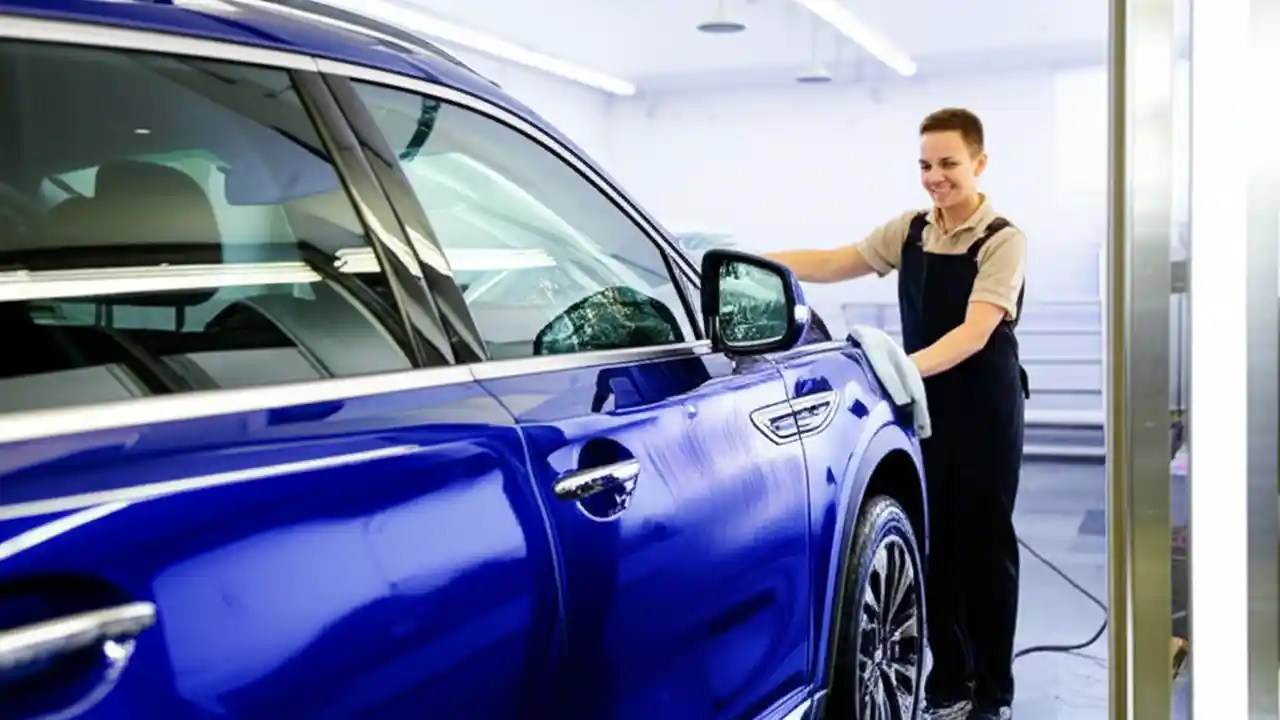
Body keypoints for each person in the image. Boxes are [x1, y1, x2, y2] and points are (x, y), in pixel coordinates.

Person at [767, 108, 1028, 720]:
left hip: (985, 409)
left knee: (985, 548)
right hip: (927, 405)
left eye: (949, 165)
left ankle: (993, 692)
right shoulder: (912, 230)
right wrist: (756, 260)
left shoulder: (1002, 239)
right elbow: (836, 261)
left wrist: (898, 367)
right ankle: (950, 680)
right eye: (925, 165)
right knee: (935, 543)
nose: (935, 177)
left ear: (979, 163)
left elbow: (972, 335)